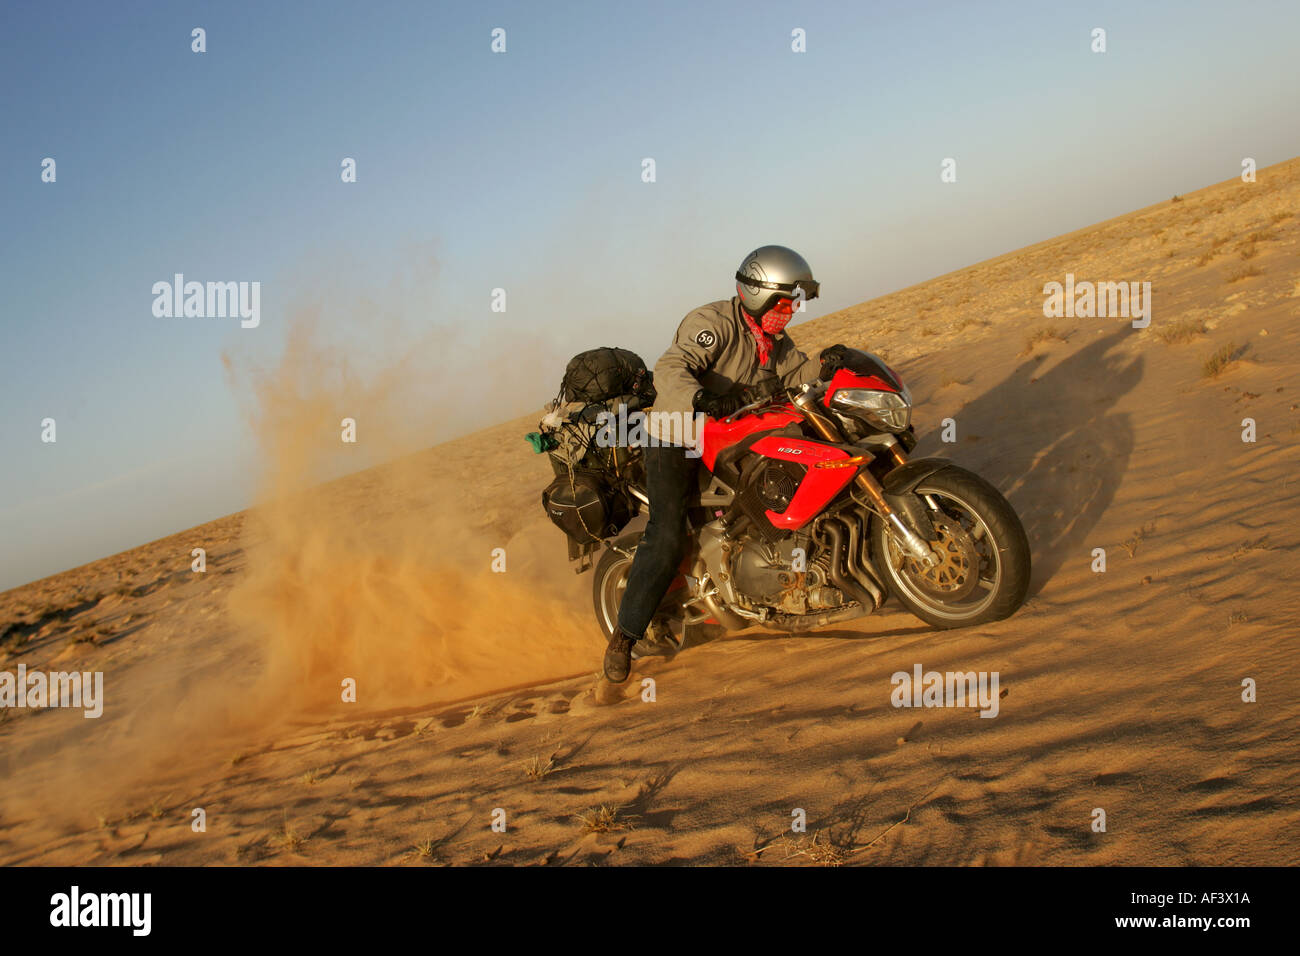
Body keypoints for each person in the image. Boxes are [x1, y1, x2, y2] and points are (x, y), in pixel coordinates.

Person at [603, 244, 849, 682]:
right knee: (667, 532)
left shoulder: (772, 340)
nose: (789, 310)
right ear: (757, 292)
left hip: (734, 432)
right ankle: (624, 637)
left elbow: (794, 374)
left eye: (793, 301)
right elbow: (672, 369)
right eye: (783, 300)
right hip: (679, 434)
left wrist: (828, 364)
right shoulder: (712, 324)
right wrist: (705, 399)